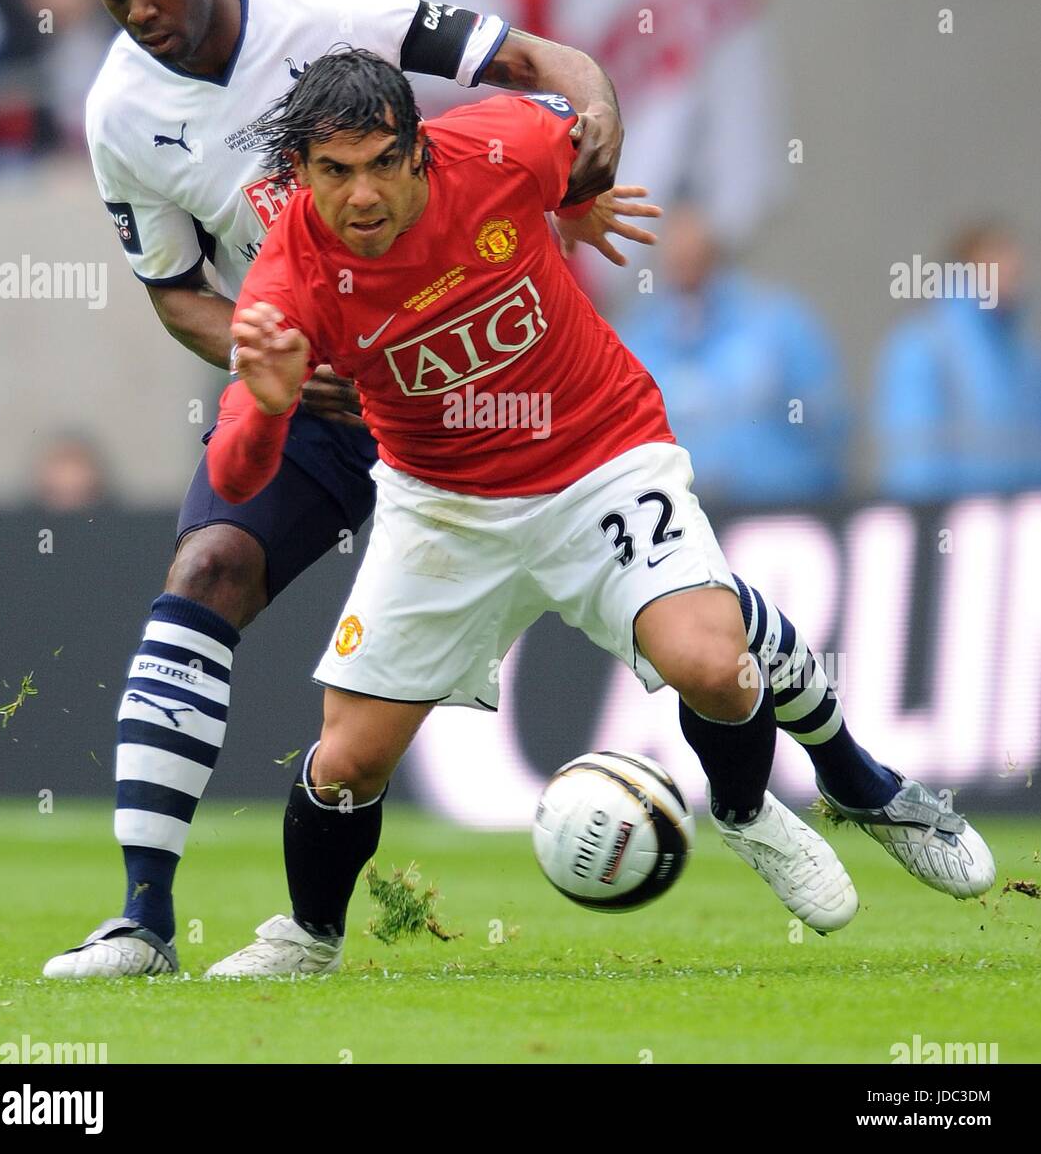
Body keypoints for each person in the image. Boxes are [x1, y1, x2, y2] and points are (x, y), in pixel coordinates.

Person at [195, 51, 994, 978]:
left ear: (422, 151)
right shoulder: (287, 281)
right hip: (443, 510)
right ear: (301, 176)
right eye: (335, 173)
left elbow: (582, 101)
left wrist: (576, 193)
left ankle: (743, 814)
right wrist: (268, 397)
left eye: (382, 162)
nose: (362, 194)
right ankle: (309, 936)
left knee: (712, 665)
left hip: (600, 460)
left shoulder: (501, 147)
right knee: (345, 766)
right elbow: (239, 473)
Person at [41, 0, 648, 980]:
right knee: (207, 566)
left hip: (451, 373)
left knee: (657, 608)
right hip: (317, 397)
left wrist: (598, 117)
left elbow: (531, 63)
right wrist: (264, 352)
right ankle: (140, 918)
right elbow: (175, 293)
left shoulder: (334, 10)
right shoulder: (120, 113)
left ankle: (809, 791)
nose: (140, 12)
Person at [619, 202, 848, 505]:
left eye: (697, 257)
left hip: (779, 513)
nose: (687, 266)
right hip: (680, 524)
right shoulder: (638, 340)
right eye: (677, 260)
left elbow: (831, 422)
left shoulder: (777, 324)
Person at [874, 219, 1041, 500]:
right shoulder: (925, 347)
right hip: (952, 523)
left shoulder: (1024, 356)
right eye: (998, 260)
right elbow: (913, 456)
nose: (1013, 271)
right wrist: (925, 523)